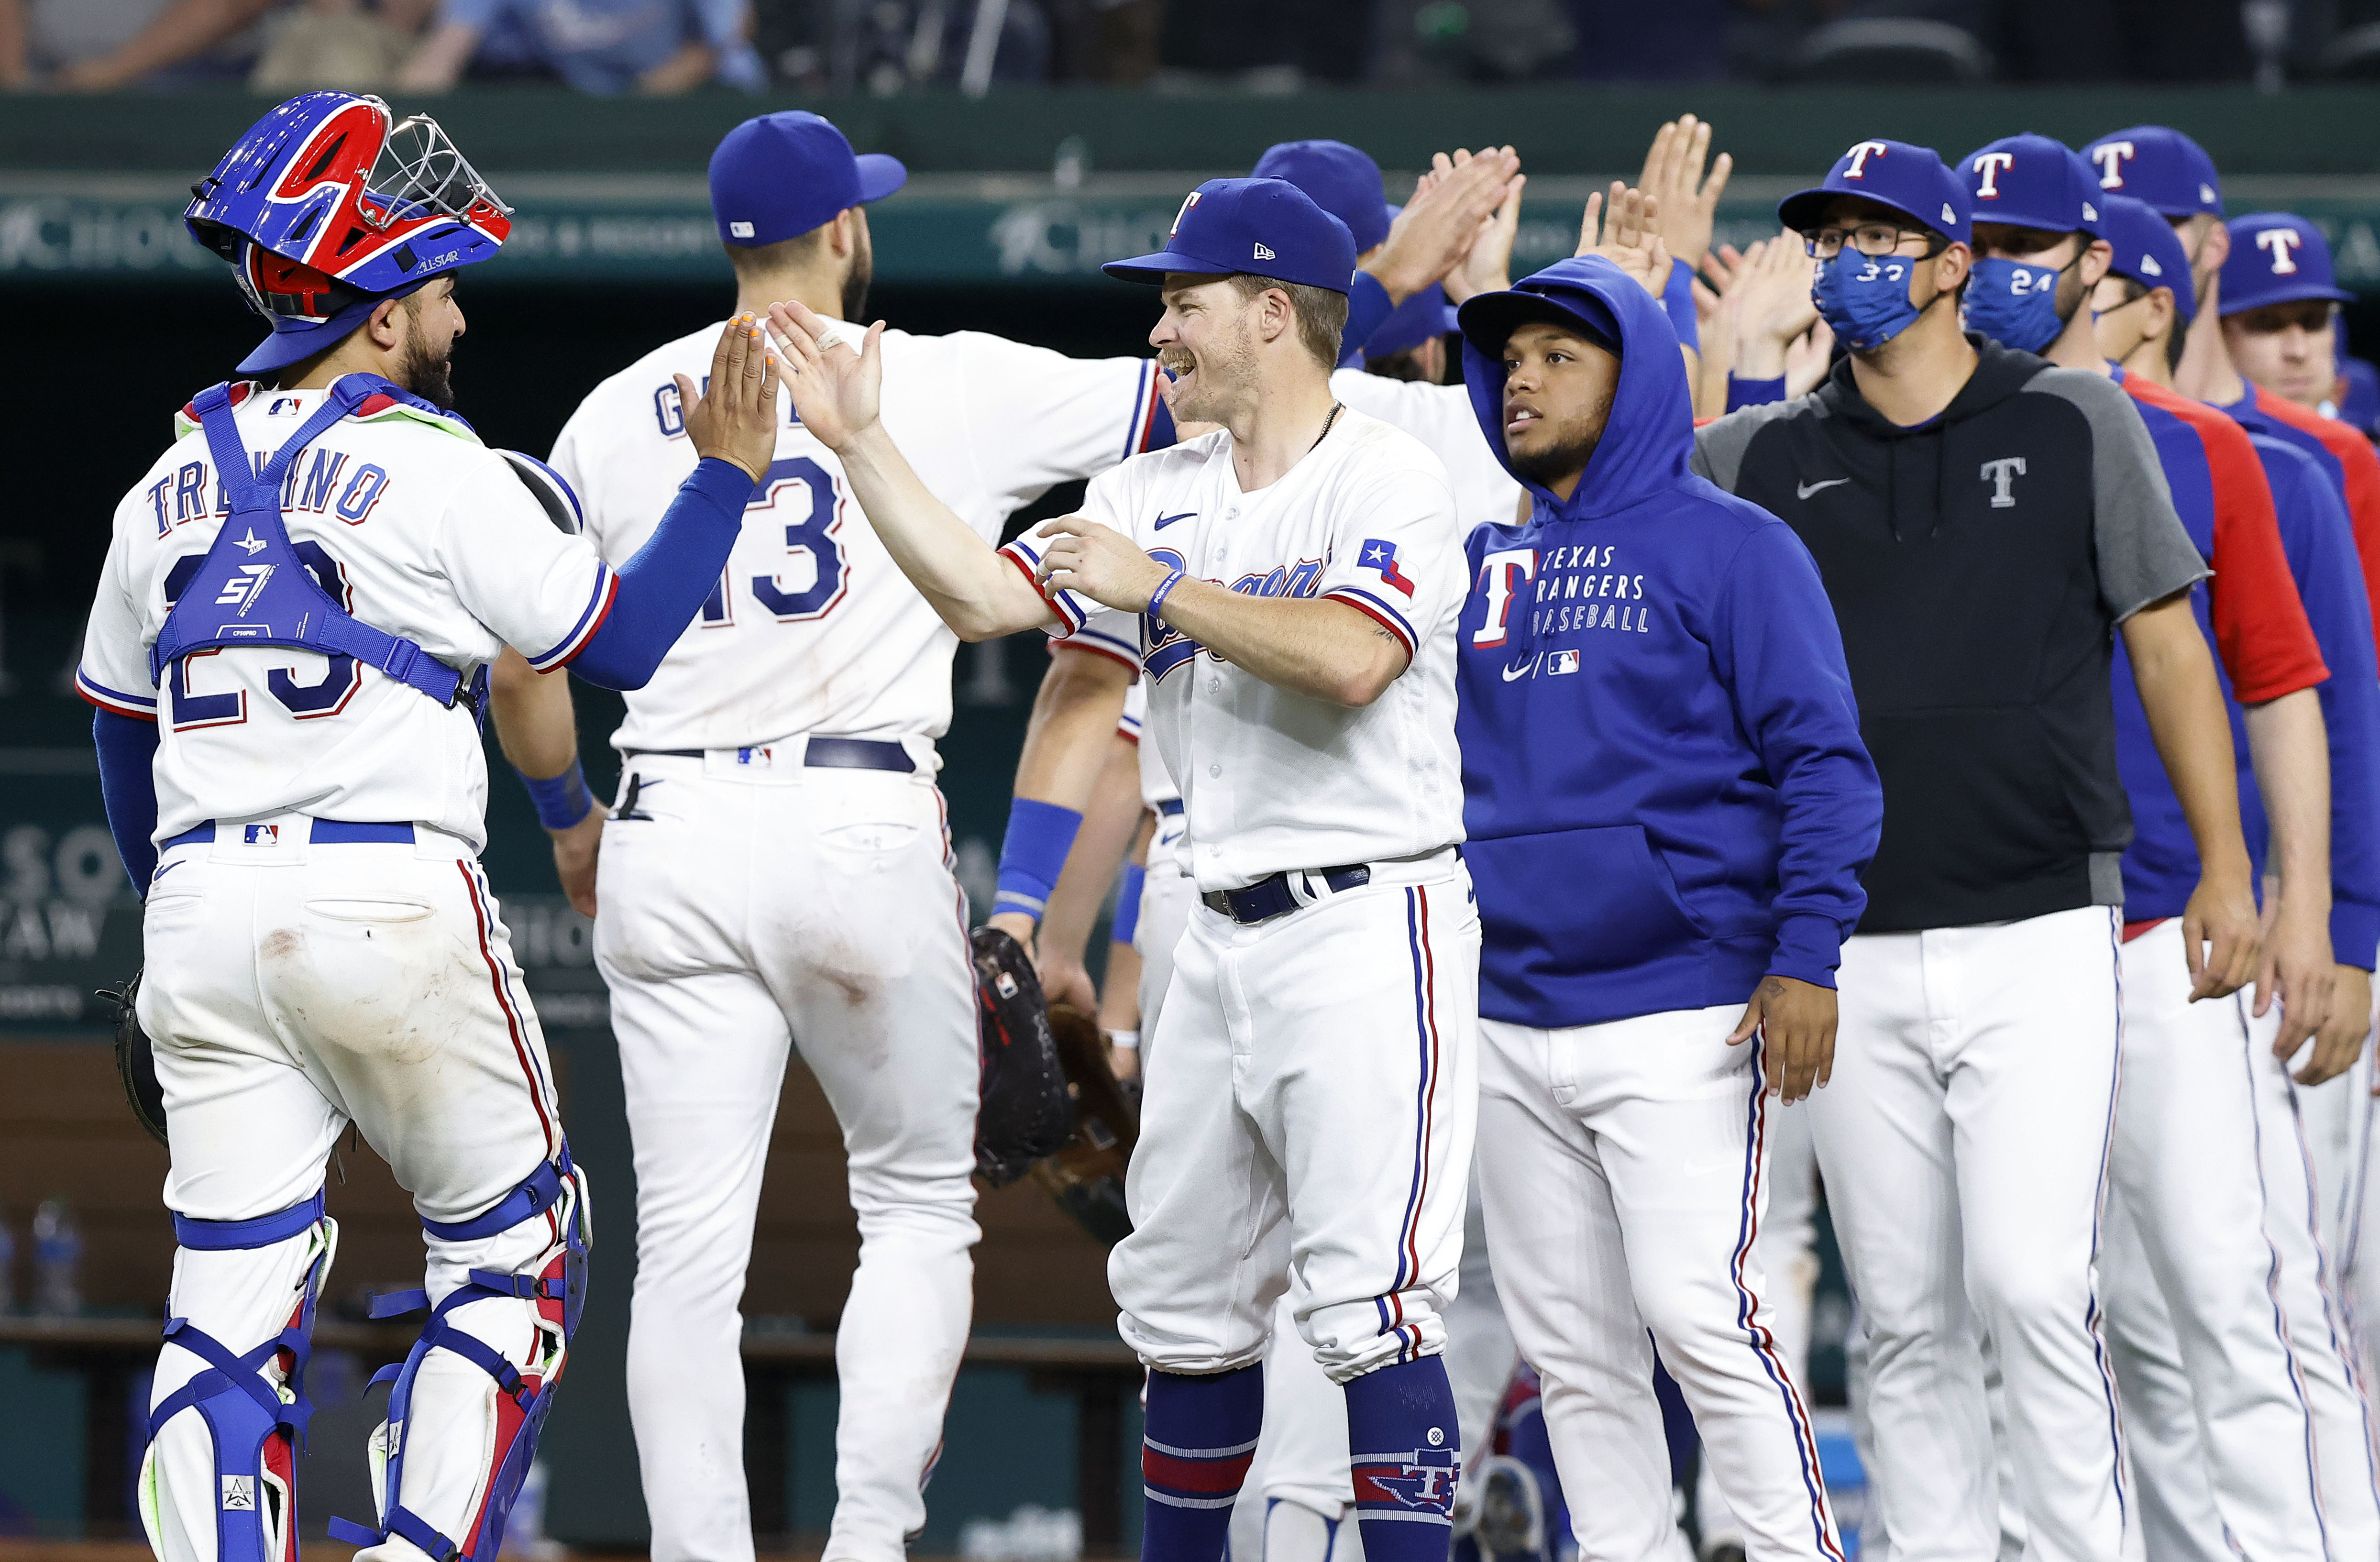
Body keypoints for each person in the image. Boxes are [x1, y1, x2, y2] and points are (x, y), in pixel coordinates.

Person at [476, 106, 1196, 1562]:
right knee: (918, 1202)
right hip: (859, 818)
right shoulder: (943, 381)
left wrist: (566, 822)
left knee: (684, 1249)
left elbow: (520, 669)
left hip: (668, 824)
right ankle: (867, 1541)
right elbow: (1199, 397)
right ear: (847, 230)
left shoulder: (616, 408)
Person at [78, 91, 777, 1562]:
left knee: (226, 1296)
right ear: (381, 314)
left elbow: (117, 737)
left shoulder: (164, 480)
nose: (454, 307)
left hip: (199, 909)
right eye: (438, 284)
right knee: (517, 1246)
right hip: (386, 888)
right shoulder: (434, 459)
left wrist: (168, 927)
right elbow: (625, 637)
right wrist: (722, 477)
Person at [765, 174, 1479, 1562]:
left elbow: (1351, 658)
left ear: (1275, 315)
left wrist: (1161, 590)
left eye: (1183, 303)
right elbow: (979, 596)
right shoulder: (1148, 486)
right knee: (1186, 1307)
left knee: (1371, 1307)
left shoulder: (1387, 470)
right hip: (1206, 932)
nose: (1161, 332)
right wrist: (864, 452)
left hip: (1365, 918)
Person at [1692, 136, 2262, 1562]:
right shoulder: (1755, 452)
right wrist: (1732, 360)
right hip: (1847, 944)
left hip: (2038, 923)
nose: (1844, 260)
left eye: (1877, 234)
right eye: (1826, 235)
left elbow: (2167, 643)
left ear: (1953, 262)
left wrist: (2225, 866)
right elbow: (1653, 544)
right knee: (1900, 1316)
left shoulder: (2074, 419)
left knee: (2026, 1284)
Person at [1454, 215, 1880, 1561]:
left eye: (1556, 355)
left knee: (1706, 1317)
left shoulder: (1734, 545)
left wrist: (1805, 956)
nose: (1520, 378)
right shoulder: (1483, 564)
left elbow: (1826, 764)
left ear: (1634, 376)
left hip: (1683, 1003)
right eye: (1507, 357)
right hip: (1510, 1009)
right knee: (1573, 1357)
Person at [2086, 188, 2380, 1562]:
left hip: (2237, 936)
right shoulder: (2004, 455)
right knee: (2133, 1315)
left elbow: (2325, 709)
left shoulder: (2289, 467)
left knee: (2275, 1298)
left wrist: (2336, 920)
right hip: (2090, 928)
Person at [397, 0, 762, 92]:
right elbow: (438, 63)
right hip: (576, 105)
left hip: (695, 106)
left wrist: (643, 99)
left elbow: (728, 34)